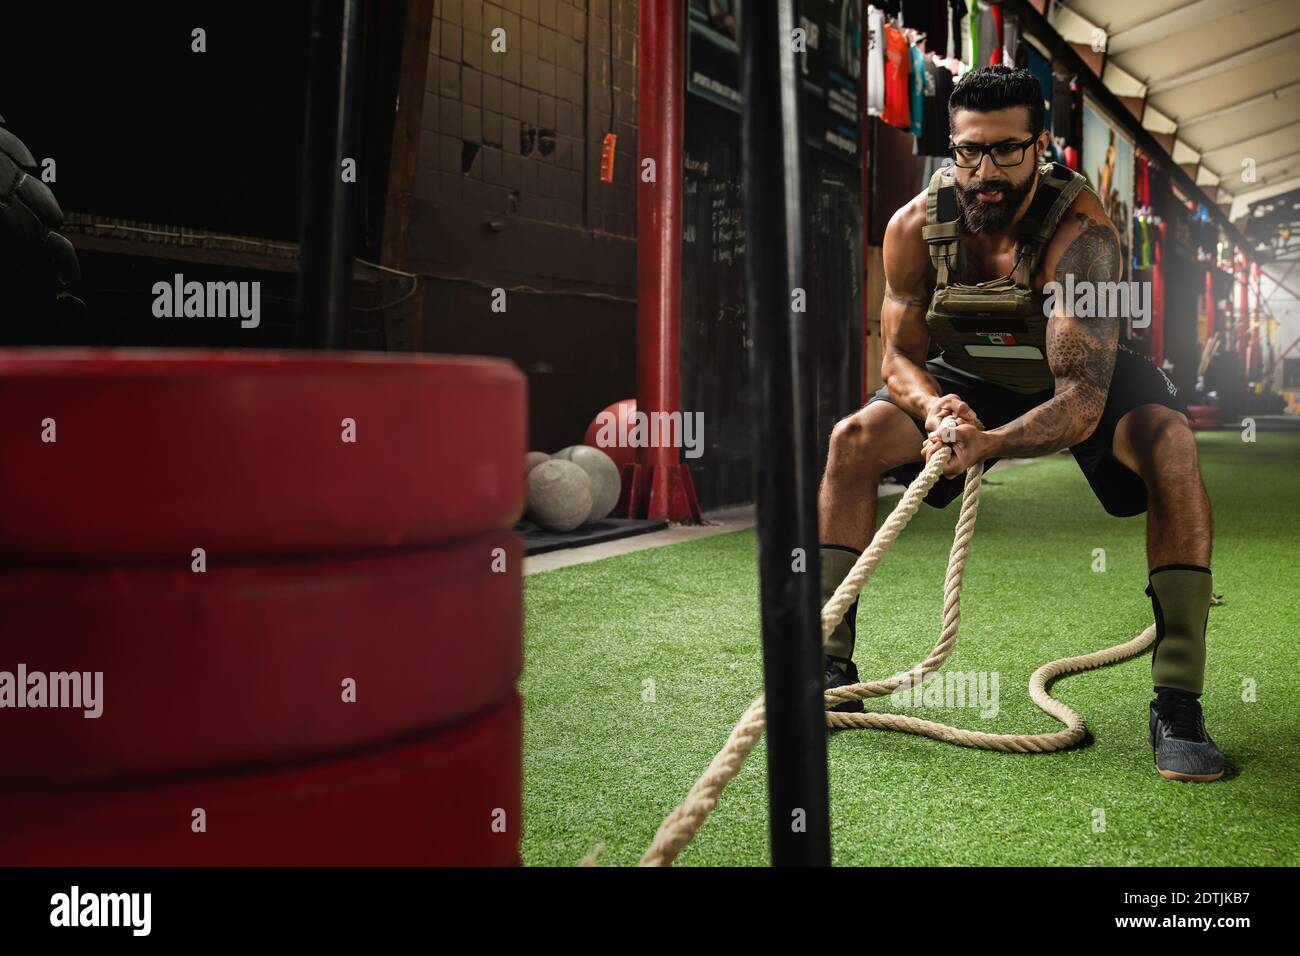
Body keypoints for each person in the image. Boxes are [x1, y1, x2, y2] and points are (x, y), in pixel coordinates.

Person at [818, 66, 1223, 782]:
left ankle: (1177, 703)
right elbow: (900, 359)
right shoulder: (914, 226)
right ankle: (824, 666)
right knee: (852, 441)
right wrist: (933, 406)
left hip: (1078, 373)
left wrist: (993, 444)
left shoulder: (1085, 235)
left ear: (1041, 146)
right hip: (971, 375)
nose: (986, 172)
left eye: (1008, 151)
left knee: (1172, 446)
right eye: (970, 151)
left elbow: (1081, 401)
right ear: (952, 146)